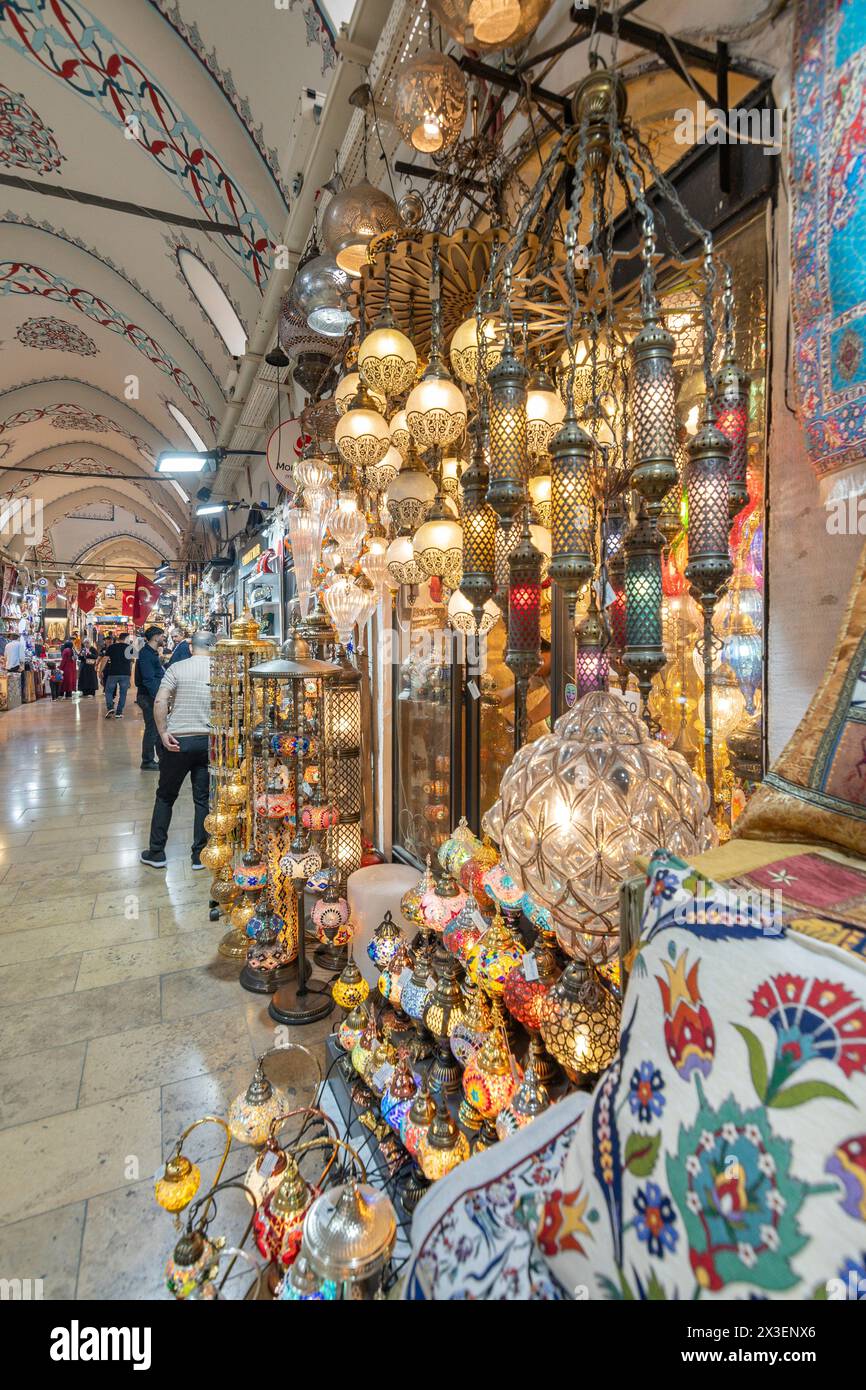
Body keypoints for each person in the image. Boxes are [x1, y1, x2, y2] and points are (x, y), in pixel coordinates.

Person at [140, 630, 215, 870]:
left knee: (165, 796)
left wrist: (162, 733)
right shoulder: (220, 671)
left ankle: (156, 851)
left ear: (191, 647)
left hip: (178, 741)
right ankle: (199, 854)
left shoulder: (176, 669)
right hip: (207, 741)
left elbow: (160, 701)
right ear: (213, 647)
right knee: (202, 798)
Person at [135, 625, 165, 770]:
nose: (163, 638)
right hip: (148, 697)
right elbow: (148, 679)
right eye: (162, 636)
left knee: (158, 727)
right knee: (152, 728)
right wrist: (157, 696)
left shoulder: (151, 653)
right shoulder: (146, 654)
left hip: (152, 696)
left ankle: (162, 757)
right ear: (155, 637)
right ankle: (147, 761)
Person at [102, 630, 132, 717]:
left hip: (113, 673)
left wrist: (100, 671)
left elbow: (105, 659)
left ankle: (110, 707)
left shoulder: (112, 647)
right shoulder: (129, 648)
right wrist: (129, 675)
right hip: (125, 673)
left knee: (108, 691)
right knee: (123, 693)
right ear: (126, 638)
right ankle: (119, 712)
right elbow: (130, 663)